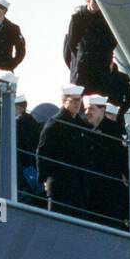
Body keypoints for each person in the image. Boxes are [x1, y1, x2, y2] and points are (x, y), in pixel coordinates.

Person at [37, 84, 91, 219]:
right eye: (73, 100)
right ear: (64, 101)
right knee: (59, 222)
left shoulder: (80, 124)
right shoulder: (54, 124)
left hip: (78, 184)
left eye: (79, 100)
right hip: (60, 183)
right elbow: (43, 152)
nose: (77, 104)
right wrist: (44, 178)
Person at [83, 94, 128, 229]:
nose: (87, 112)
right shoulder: (87, 129)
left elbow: (122, 158)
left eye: (91, 109)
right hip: (92, 190)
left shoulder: (114, 131)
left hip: (109, 192)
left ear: (102, 110)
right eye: (86, 109)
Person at [63, 0, 116, 94]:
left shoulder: (106, 19)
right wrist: (79, 61)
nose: (97, 5)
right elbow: (71, 45)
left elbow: (112, 42)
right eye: (95, 1)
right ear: (88, 0)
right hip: (83, 69)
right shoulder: (77, 18)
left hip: (101, 69)